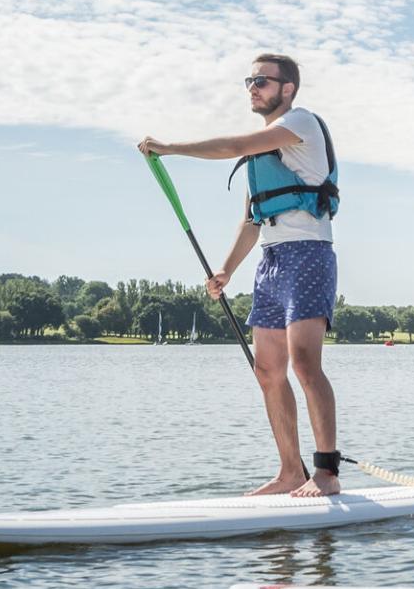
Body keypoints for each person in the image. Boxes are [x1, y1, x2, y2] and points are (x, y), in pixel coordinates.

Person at [138, 54, 342, 497]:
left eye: (262, 81)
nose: (253, 87)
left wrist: (171, 148)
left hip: (309, 254)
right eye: (249, 80)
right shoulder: (260, 159)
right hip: (270, 263)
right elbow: (251, 222)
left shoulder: (301, 122)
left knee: (305, 364)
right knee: (268, 369)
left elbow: (232, 146)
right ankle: (291, 471)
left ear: (287, 89)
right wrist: (225, 269)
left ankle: (326, 473)